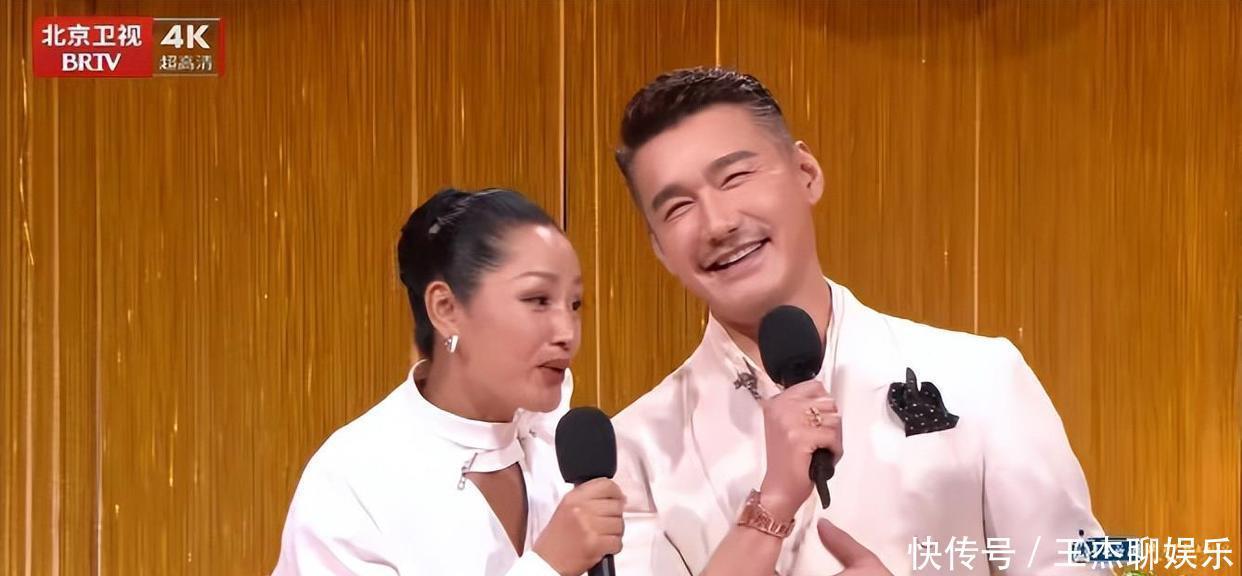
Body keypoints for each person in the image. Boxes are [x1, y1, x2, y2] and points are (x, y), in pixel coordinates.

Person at [609, 67, 1106, 575]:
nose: (718, 223)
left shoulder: (983, 374)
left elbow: (1086, 562)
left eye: (735, 177)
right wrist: (771, 507)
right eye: (679, 207)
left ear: (806, 173)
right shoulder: (634, 451)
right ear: (659, 248)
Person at [272, 188, 623, 575]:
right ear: (446, 308)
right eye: (538, 300)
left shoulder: (562, 449)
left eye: (574, 304)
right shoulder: (352, 481)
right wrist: (549, 565)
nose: (567, 332)